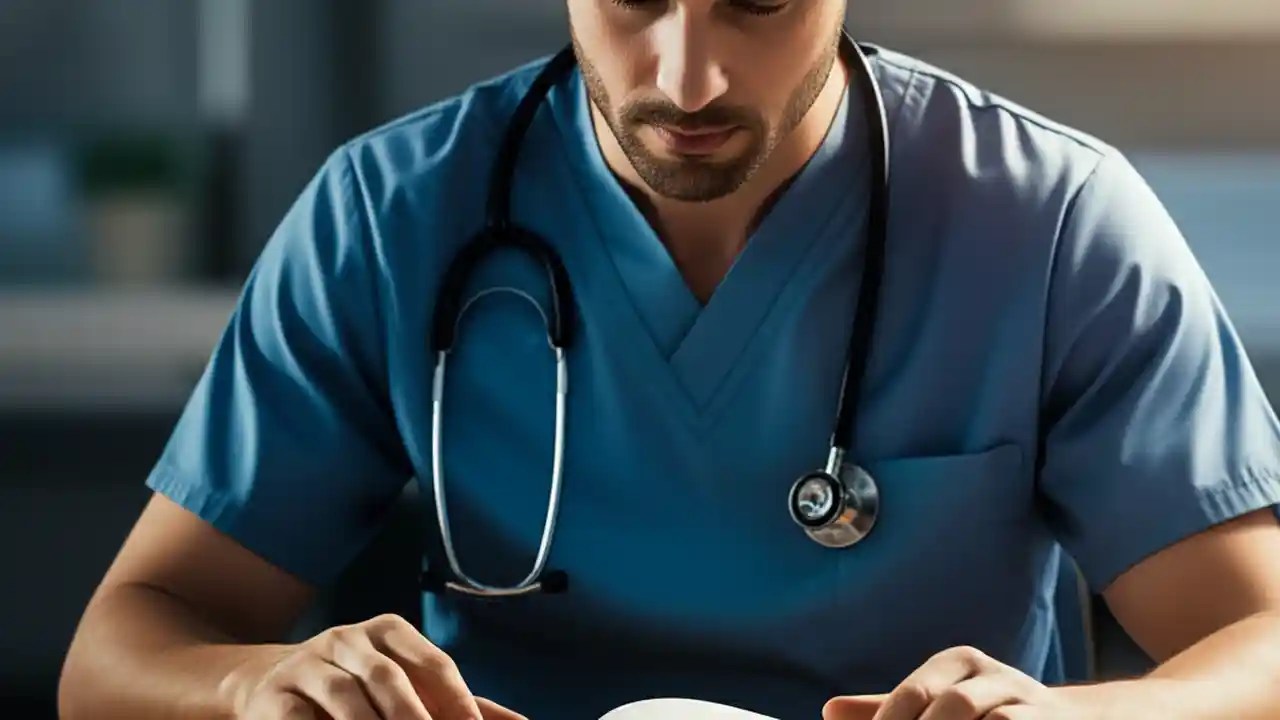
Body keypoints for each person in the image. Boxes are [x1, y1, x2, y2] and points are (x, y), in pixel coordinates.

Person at [60, 1, 1280, 719]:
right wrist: (251, 688)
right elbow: (121, 647)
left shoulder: (1049, 220)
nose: (686, 75)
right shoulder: (387, 215)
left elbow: (1259, 641)